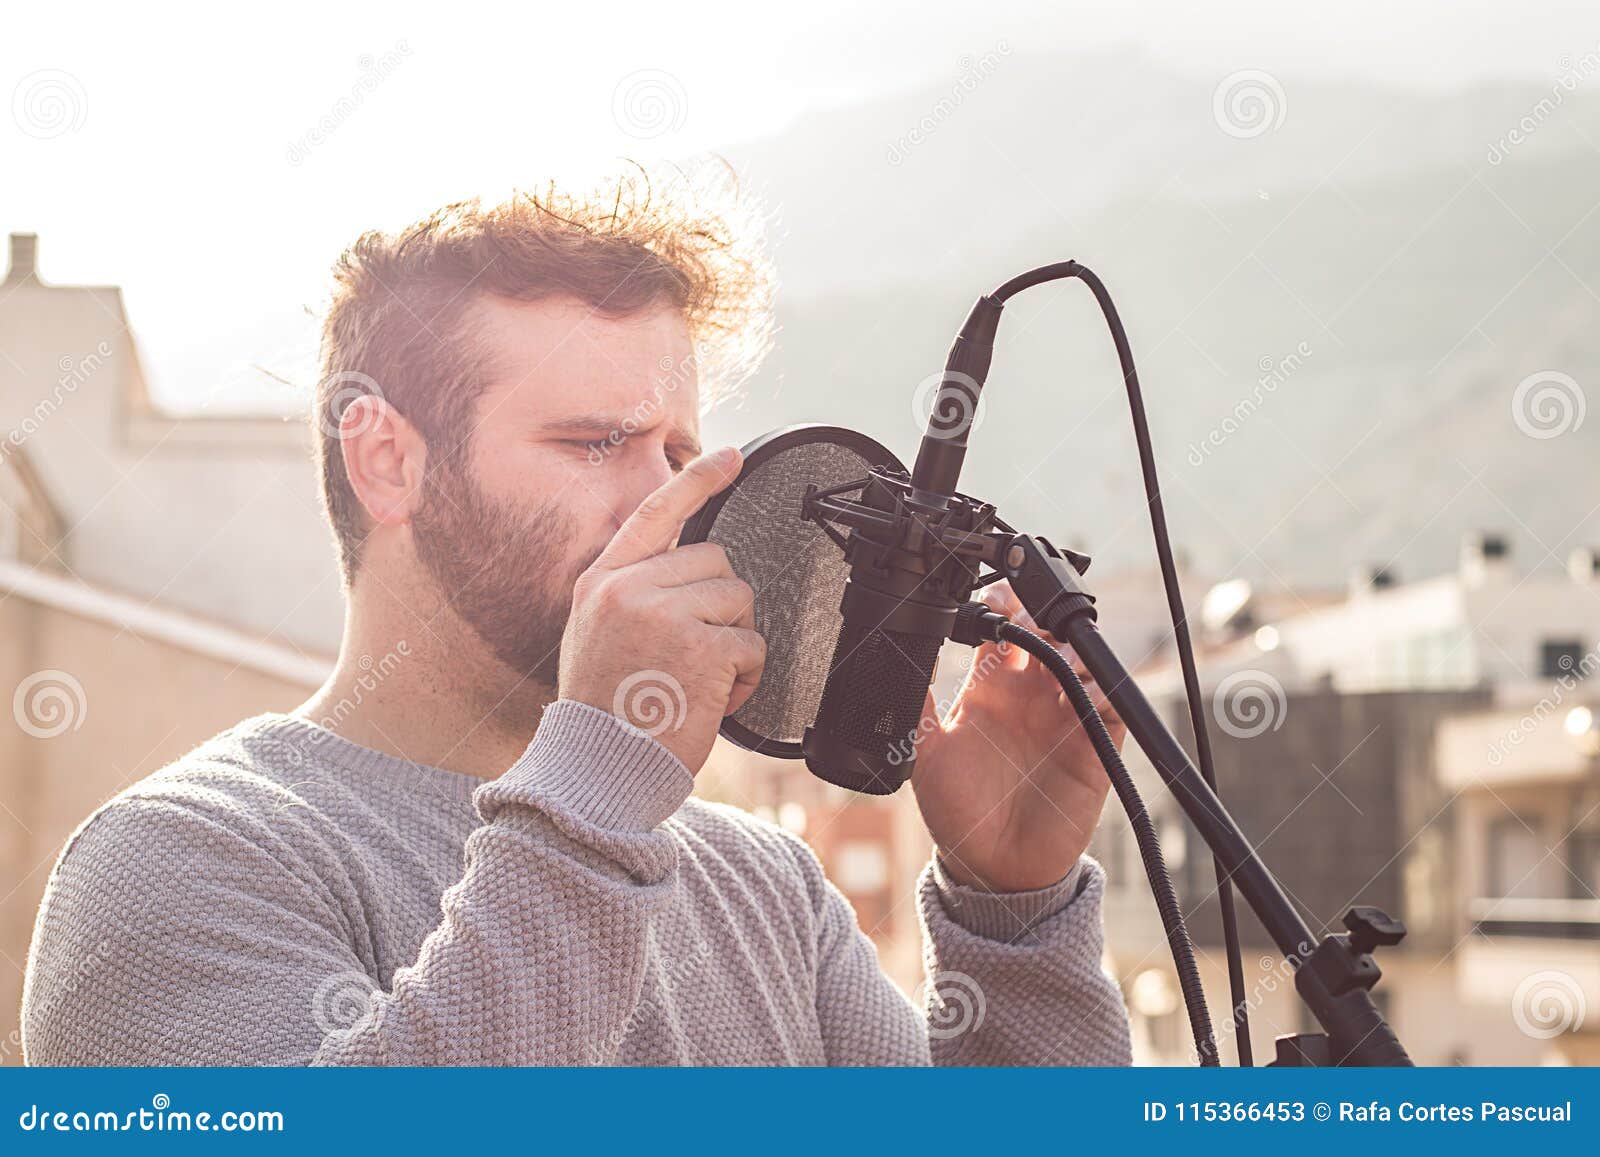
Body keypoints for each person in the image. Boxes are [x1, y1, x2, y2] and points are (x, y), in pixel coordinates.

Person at [22, 168, 1132, 1066]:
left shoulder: (765, 885)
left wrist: (1010, 911)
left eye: (680, 453)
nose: (668, 500)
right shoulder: (179, 861)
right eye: (594, 441)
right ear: (388, 460)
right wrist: (602, 783)